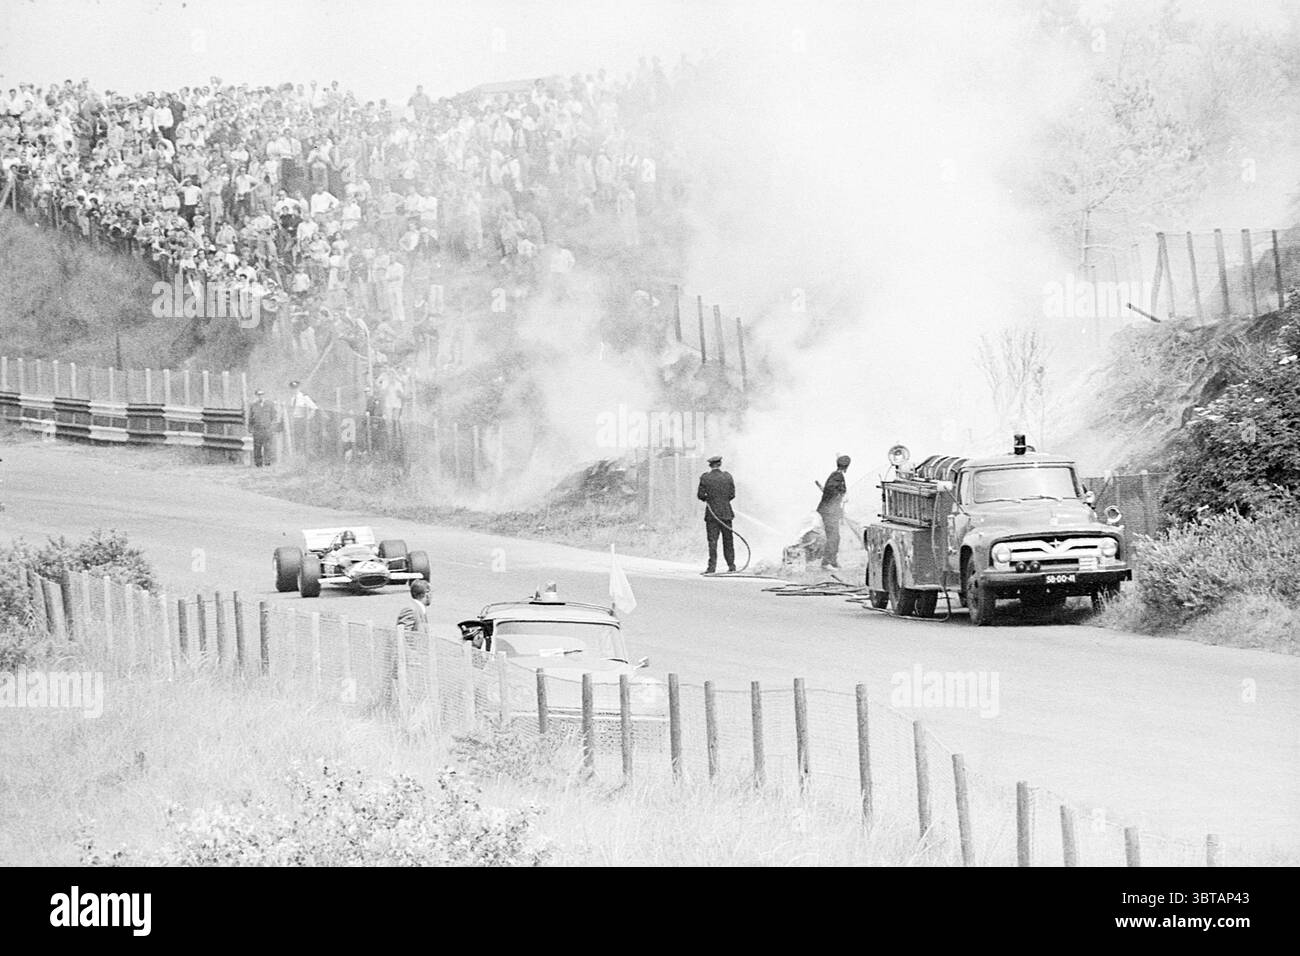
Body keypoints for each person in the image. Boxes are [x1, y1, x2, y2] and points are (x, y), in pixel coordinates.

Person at [697, 454, 736, 574]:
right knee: (728, 540)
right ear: (720, 464)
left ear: (710, 465)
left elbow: (700, 495)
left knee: (713, 541)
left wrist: (709, 499)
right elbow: (732, 495)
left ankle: (711, 567)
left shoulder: (705, 478)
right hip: (726, 514)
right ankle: (731, 566)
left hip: (712, 515)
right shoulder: (727, 477)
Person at [817, 455, 851, 569]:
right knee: (833, 537)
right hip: (829, 512)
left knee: (835, 536)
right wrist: (840, 495)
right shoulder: (837, 476)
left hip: (831, 511)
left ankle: (832, 561)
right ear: (847, 466)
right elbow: (831, 490)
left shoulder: (837, 475)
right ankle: (827, 562)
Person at [246, 388, 279, 467]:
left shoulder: (270, 404)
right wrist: (250, 428)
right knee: (257, 447)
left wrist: (272, 426)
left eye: (261, 395)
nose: (260, 397)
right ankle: (258, 463)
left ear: (264, 395)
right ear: (256, 396)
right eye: (258, 395)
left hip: (267, 429)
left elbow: (274, 416)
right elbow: (250, 418)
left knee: (267, 446)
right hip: (257, 429)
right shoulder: (253, 405)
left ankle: (267, 462)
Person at [288, 379, 318, 457]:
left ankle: (307, 456)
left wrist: (308, 418)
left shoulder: (304, 397)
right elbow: (292, 410)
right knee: (296, 439)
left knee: (304, 439)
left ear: (298, 388)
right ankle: (298, 455)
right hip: (295, 420)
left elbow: (314, 408)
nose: (294, 390)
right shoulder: (292, 398)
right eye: (292, 388)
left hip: (302, 420)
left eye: (296, 388)